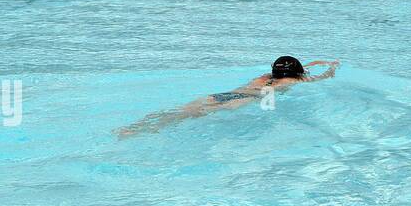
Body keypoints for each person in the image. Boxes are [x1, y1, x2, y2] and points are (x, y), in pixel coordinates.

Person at [116, 57, 339, 137]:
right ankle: (147, 131)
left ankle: (136, 127)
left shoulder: (264, 77)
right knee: (191, 118)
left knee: (182, 111)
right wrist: (331, 68)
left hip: (225, 94)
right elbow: (321, 77)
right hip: (243, 101)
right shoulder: (293, 81)